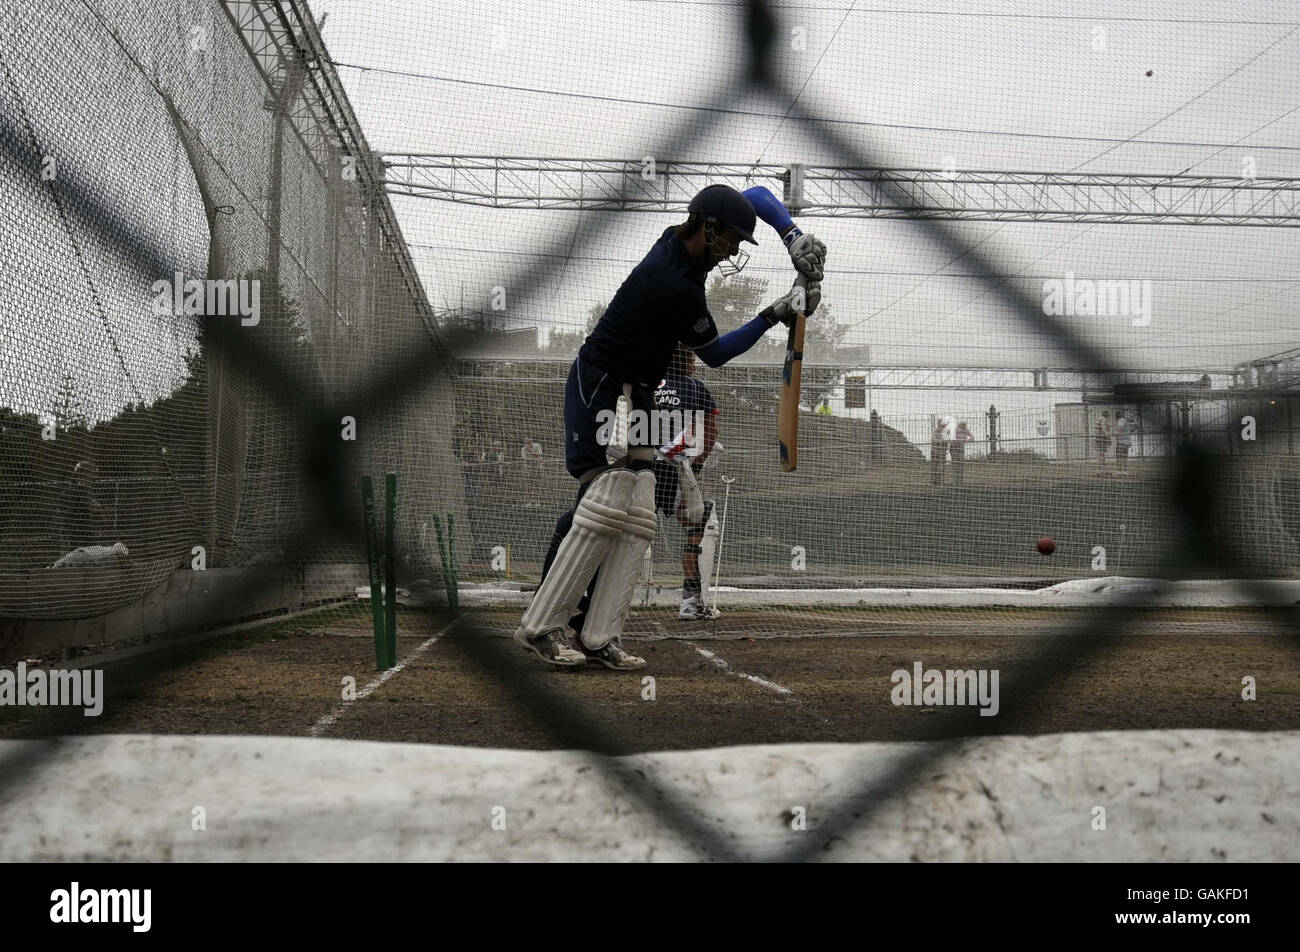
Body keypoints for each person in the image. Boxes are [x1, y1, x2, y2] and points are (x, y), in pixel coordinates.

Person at [519, 183, 826, 670]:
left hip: (638, 389)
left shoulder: (680, 241)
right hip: (599, 381)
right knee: (598, 502)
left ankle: (597, 633)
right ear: (705, 227)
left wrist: (792, 235)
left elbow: (756, 195)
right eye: (728, 240)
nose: (731, 252)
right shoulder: (675, 283)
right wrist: (774, 314)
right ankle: (544, 623)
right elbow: (717, 354)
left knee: (636, 507)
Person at [651, 344, 721, 620]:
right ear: (681, 361)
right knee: (698, 522)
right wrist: (699, 464)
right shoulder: (696, 387)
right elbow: (710, 430)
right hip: (677, 470)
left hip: (644, 467)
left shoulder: (648, 385)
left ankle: (602, 603)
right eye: (691, 357)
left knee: (631, 529)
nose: (694, 362)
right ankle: (690, 602)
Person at [951, 421, 974, 485]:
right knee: (955, 465)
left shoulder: (966, 430)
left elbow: (972, 438)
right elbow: (952, 439)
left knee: (961, 465)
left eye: (963, 426)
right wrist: (960, 440)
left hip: (961, 449)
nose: (962, 428)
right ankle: (954, 481)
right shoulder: (955, 430)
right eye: (961, 426)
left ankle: (960, 481)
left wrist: (965, 440)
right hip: (954, 448)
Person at [930, 418, 948, 487]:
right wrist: (942, 441)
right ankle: (934, 481)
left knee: (942, 466)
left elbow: (947, 439)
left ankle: (941, 481)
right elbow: (933, 439)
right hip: (935, 451)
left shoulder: (946, 431)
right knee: (935, 466)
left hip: (942, 451)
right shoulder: (935, 431)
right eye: (942, 423)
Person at [1113, 411, 1131, 475]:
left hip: (1121, 442)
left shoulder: (1121, 420)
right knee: (1124, 457)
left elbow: (1119, 430)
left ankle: (1119, 471)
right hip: (1127, 442)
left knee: (1119, 457)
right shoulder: (1125, 421)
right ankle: (1125, 471)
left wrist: (1113, 433)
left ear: (1116, 417)